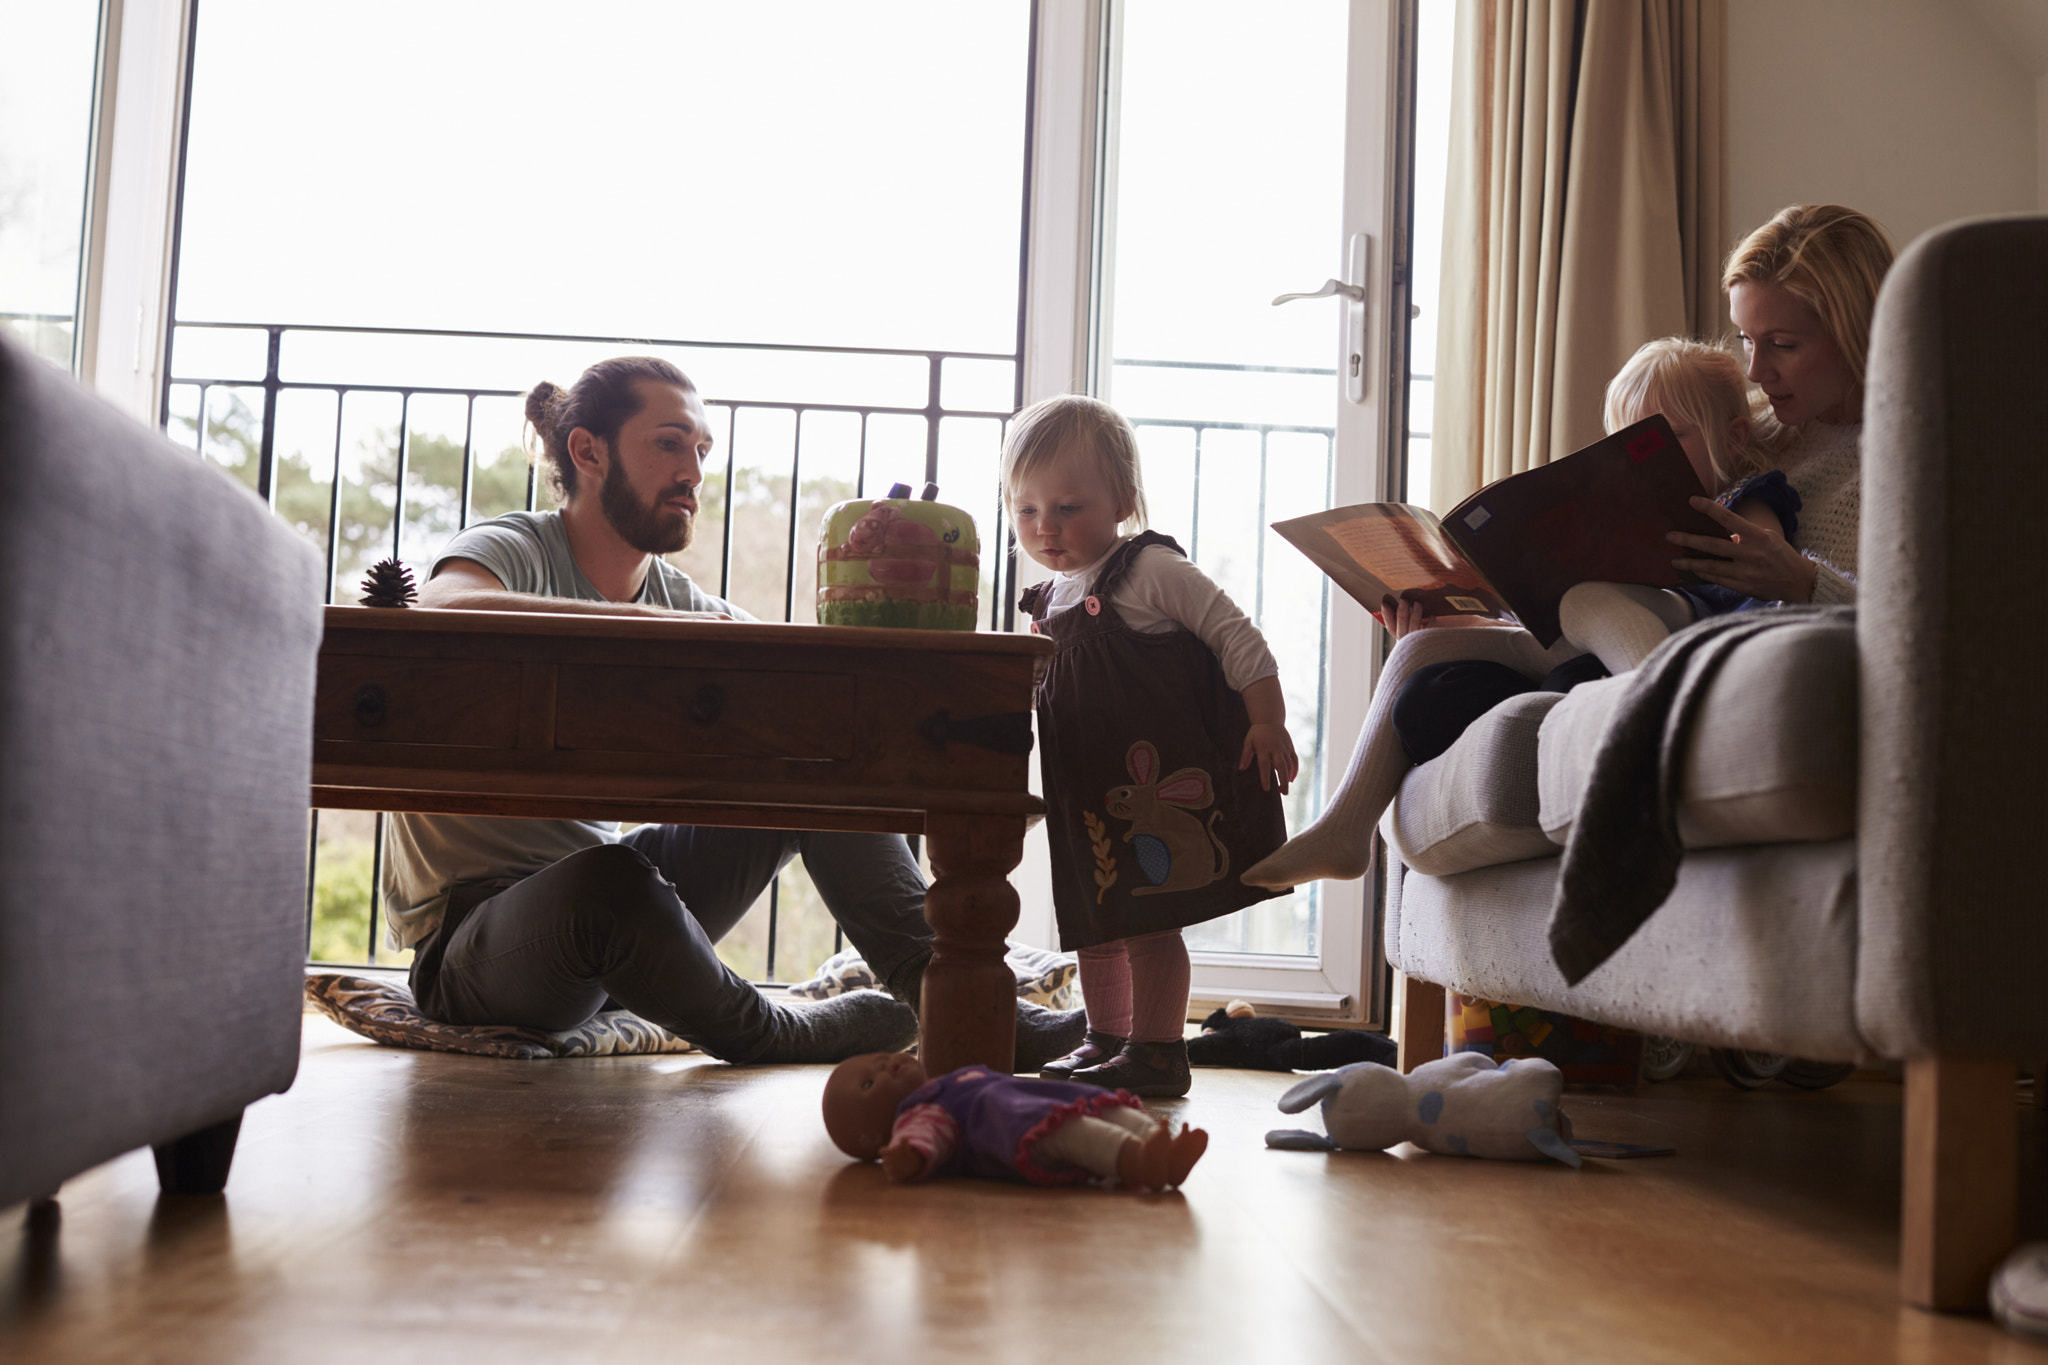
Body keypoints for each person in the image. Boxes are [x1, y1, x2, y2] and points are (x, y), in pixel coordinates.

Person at [382, 355, 1086, 1068]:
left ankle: (946, 994)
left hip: (608, 914)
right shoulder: (515, 545)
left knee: (810, 760)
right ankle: (772, 1028)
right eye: (668, 442)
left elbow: (789, 679)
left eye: (701, 450)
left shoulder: (675, 594)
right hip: (478, 945)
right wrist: (649, 631)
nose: (692, 469)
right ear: (587, 450)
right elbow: (446, 606)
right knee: (610, 882)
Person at [1243, 203, 1893, 891]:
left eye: (1784, 344)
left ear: (1856, 328)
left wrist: (1802, 580)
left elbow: (1929, 625)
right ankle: (1344, 830)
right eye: (1746, 339)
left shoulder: (1899, 447)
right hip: (1624, 624)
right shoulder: (1758, 421)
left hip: (1698, 637)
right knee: (1427, 692)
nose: (1758, 371)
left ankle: (1649, 723)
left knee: (1563, 683)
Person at [1004, 394, 1297, 1098]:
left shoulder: (1146, 572)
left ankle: (1159, 1049)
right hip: (1087, 795)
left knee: (1148, 922)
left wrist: (1267, 720)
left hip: (1154, 790)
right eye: (1027, 510)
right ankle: (1106, 1037)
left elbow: (1238, 635)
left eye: (1068, 508)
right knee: (1095, 925)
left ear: (1123, 501)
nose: (1046, 527)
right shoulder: (1051, 599)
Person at [821, 1051, 1209, 1190]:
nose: (885, 1064)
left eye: (878, 1057)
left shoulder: (939, 1086)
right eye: (869, 1082)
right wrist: (911, 1154)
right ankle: (1138, 1161)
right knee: (1079, 1133)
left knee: (1103, 1108)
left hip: (1041, 1105)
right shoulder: (917, 1115)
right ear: (876, 1135)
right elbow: (929, 1136)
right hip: (1018, 1130)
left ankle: (1163, 1150)